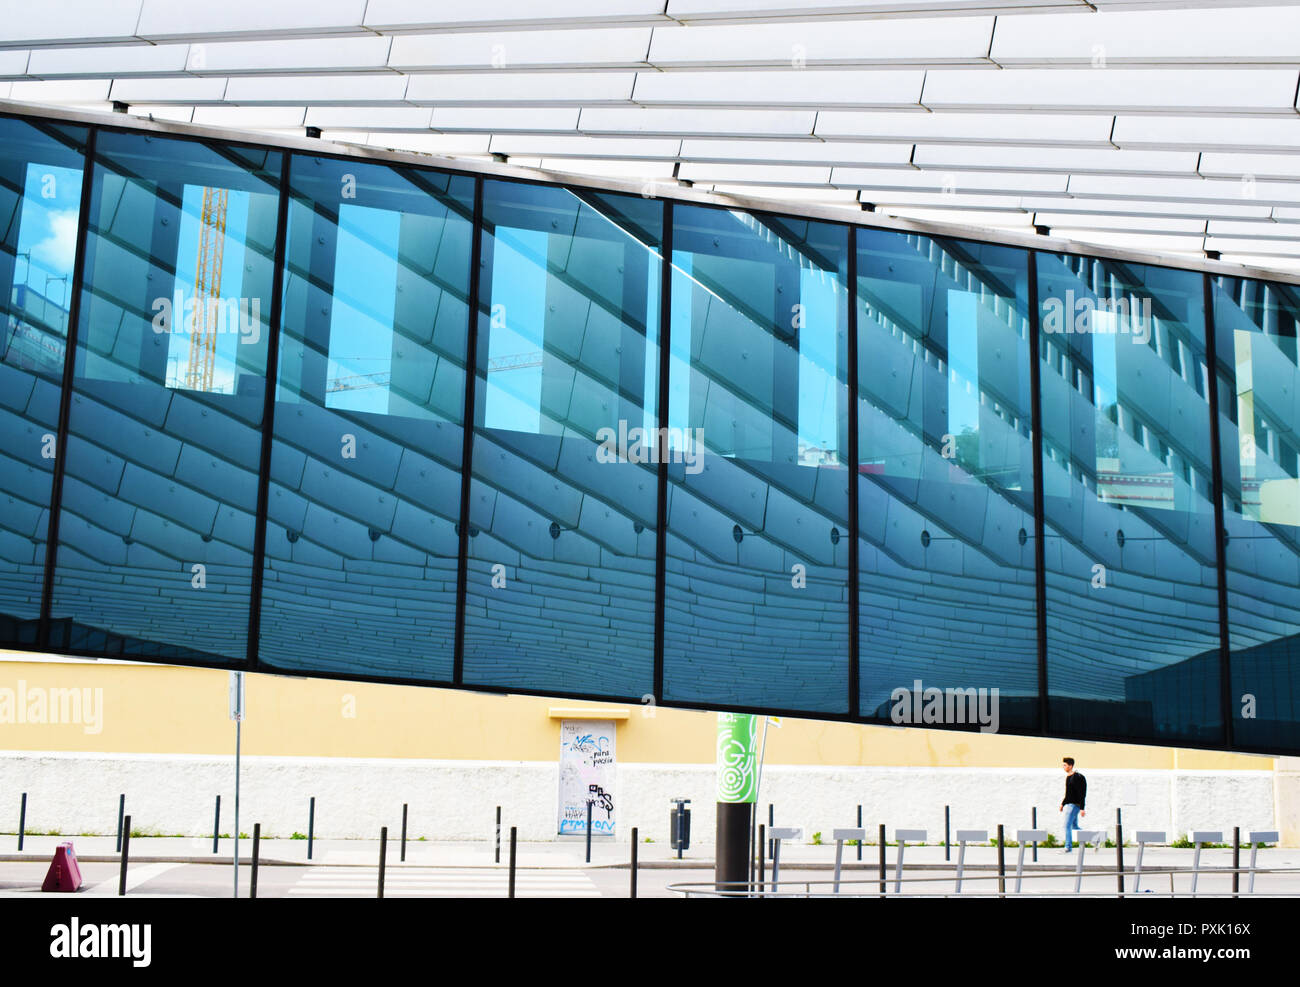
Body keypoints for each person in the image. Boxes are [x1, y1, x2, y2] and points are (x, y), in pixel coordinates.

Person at [1059, 756, 1086, 852]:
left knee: (1066, 825)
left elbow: (1082, 793)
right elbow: (1068, 793)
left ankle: (1068, 846)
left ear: (1070, 766)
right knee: (1074, 827)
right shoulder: (1068, 777)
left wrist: (1082, 808)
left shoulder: (1077, 777)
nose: (1063, 767)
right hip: (1069, 804)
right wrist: (1062, 803)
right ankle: (1094, 839)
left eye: (1065, 765)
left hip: (1074, 805)